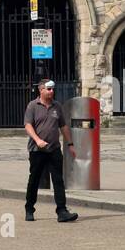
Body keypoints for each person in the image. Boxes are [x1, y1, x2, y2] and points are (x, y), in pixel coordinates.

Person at [23, 80, 79, 223]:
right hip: (37, 150)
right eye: (48, 89)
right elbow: (28, 125)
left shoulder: (57, 106)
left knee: (58, 180)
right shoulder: (32, 106)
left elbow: (63, 126)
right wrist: (37, 140)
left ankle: (62, 211)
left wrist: (70, 144)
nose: (51, 91)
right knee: (34, 179)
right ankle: (29, 209)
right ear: (41, 90)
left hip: (54, 149)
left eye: (53, 89)